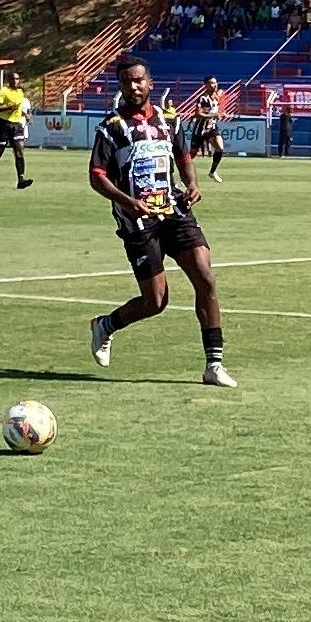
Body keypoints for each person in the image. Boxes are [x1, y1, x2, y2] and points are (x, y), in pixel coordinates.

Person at [86, 55, 236, 388]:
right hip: (137, 221)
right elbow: (96, 176)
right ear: (121, 87)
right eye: (126, 82)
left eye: (139, 80)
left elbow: (183, 158)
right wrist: (129, 202)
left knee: (206, 277)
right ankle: (106, 325)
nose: (133, 86)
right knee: (156, 302)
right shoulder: (111, 128)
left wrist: (193, 184)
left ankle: (214, 364)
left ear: (150, 83)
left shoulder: (171, 121)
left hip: (173, 209)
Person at [194, 77, 226, 184]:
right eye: (212, 83)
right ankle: (181, 174)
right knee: (191, 155)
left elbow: (221, 93)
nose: (215, 85)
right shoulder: (202, 98)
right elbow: (198, 114)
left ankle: (212, 172)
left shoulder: (216, 97)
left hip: (211, 127)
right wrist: (213, 115)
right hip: (200, 129)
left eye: (216, 83)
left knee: (220, 148)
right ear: (206, 85)